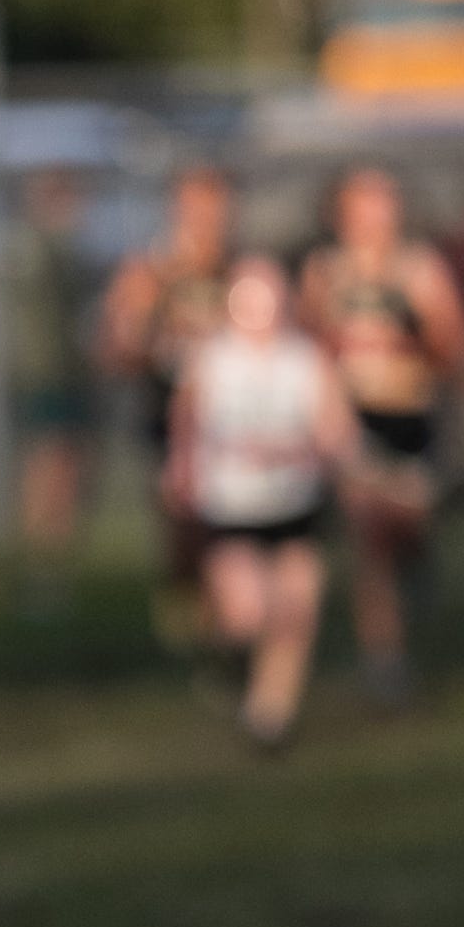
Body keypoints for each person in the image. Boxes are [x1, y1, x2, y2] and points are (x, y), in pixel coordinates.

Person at [166, 255, 356, 749]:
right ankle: (225, 652)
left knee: (296, 611)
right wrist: (182, 470)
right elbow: (186, 420)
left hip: (296, 503)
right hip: (232, 507)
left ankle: (269, 717)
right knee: (249, 612)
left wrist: (330, 454)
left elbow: (334, 428)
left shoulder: (305, 359)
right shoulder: (211, 359)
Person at [297, 166, 464, 705]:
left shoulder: (420, 270)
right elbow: (307, 346)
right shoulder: (324, 272)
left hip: (410, 418)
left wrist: (411, 334)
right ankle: (384, 657)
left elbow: (452, 348)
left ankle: (415, 565)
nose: (377, 214)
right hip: (355, 421)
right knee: (368, 533)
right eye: (365, 202)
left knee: (406, 528)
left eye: (384, 201)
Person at [102, 166, 235, 648]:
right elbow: (117, 347)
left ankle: (227, 616)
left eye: (213, 206)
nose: (204, 218)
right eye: (193, 206)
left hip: (233, 417)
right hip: (168, 414)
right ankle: (187, 610)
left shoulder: (238, 269)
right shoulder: (151, 271)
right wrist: (147, 339)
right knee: (182, 518)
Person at [5, 169, 101, 587]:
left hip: (66, 374)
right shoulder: (38, 250)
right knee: (46, 468)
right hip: (44, 375)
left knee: (66, 468)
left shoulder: (63, 251)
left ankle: (56, 562)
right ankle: (42, 565)